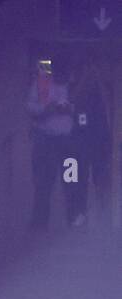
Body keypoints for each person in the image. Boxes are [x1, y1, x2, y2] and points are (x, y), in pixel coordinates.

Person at [26, 58, 76, 229]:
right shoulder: (41, 79)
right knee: (42, 183)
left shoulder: (78, 80)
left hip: (68, 141)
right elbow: (30, 106)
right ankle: (39, 224)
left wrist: (70, 109)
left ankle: (74, 223)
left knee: (71, 181)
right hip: (44, 139)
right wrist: (46, 110)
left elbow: (84, 108)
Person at [68, 56, 112, 228]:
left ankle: (104, 217)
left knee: (100, 179)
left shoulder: (104, 91)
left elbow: (108, 109)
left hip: (99, 143)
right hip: (81, 144)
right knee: (78, 180)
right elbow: (74, 102)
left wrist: (96, 74)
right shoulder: (77, 91)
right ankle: (80, 215)